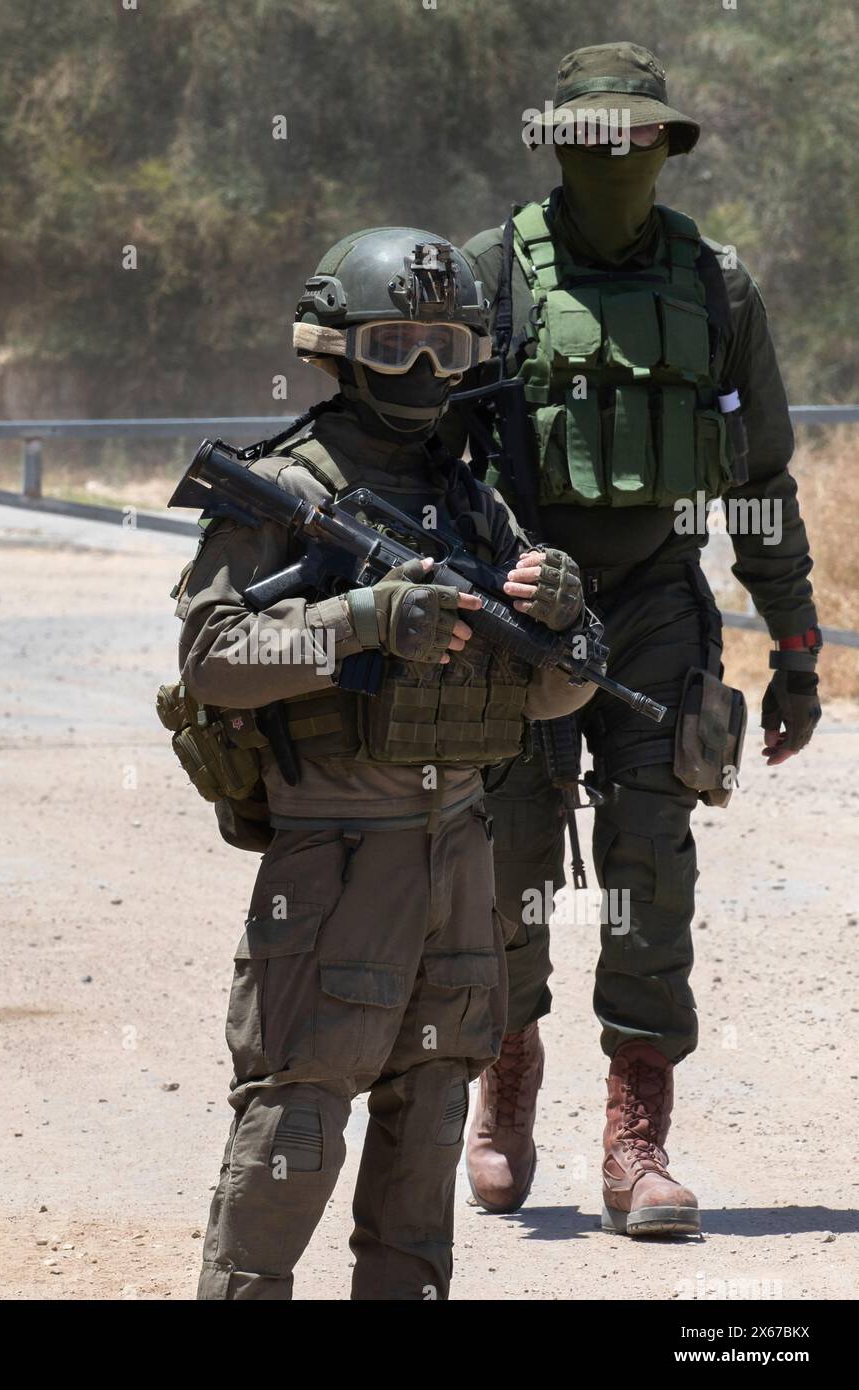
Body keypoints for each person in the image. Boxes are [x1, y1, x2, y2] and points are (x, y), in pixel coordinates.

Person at [441, 42, 821, 1237]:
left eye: (636, 137)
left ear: (666, 144)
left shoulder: (716, 286)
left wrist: (797, 648)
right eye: (593, 138)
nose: (616, 156)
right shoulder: (486, 276)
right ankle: (503, 1086)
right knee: (504, 857)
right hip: (515, 609)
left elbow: (758, 478)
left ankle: (633, 1134)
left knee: (647, 869)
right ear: (554, 141)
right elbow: (426, 465)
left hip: (655, 605)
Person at [174, 227, 592, 1299]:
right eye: (397, 342)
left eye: (446, 348)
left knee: (429, 1116)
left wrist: (561, 623)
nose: (422, 372)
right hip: (332, 861)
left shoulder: (471, 502)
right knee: (296, 1112)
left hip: (457, 855)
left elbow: (547, 692)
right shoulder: (277, 486)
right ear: (336, 345)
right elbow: (214, 661)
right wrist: (361, 618)